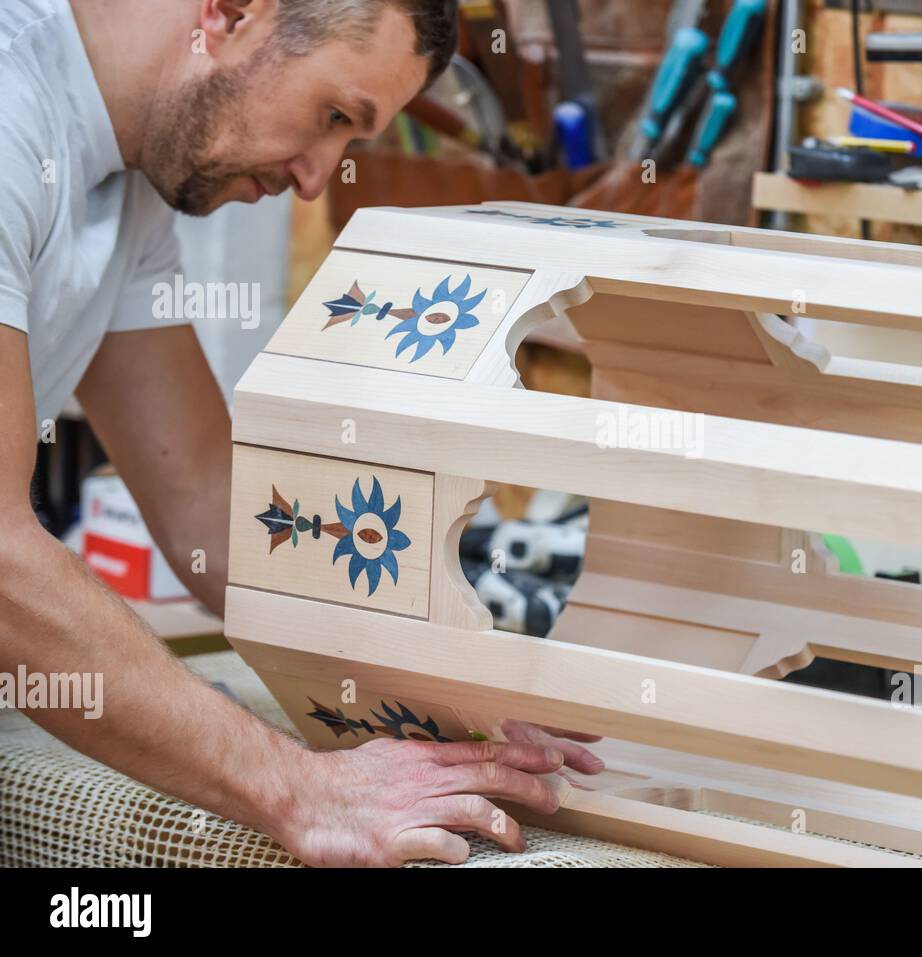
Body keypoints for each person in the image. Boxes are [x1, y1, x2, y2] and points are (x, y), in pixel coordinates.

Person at [0, 0, 603, 867]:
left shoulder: (127, 176)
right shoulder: (12, 111)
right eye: (334, 118)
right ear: (231, 12)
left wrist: (453, 694)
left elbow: (213, 505)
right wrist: (300, 788)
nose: (321, 179)